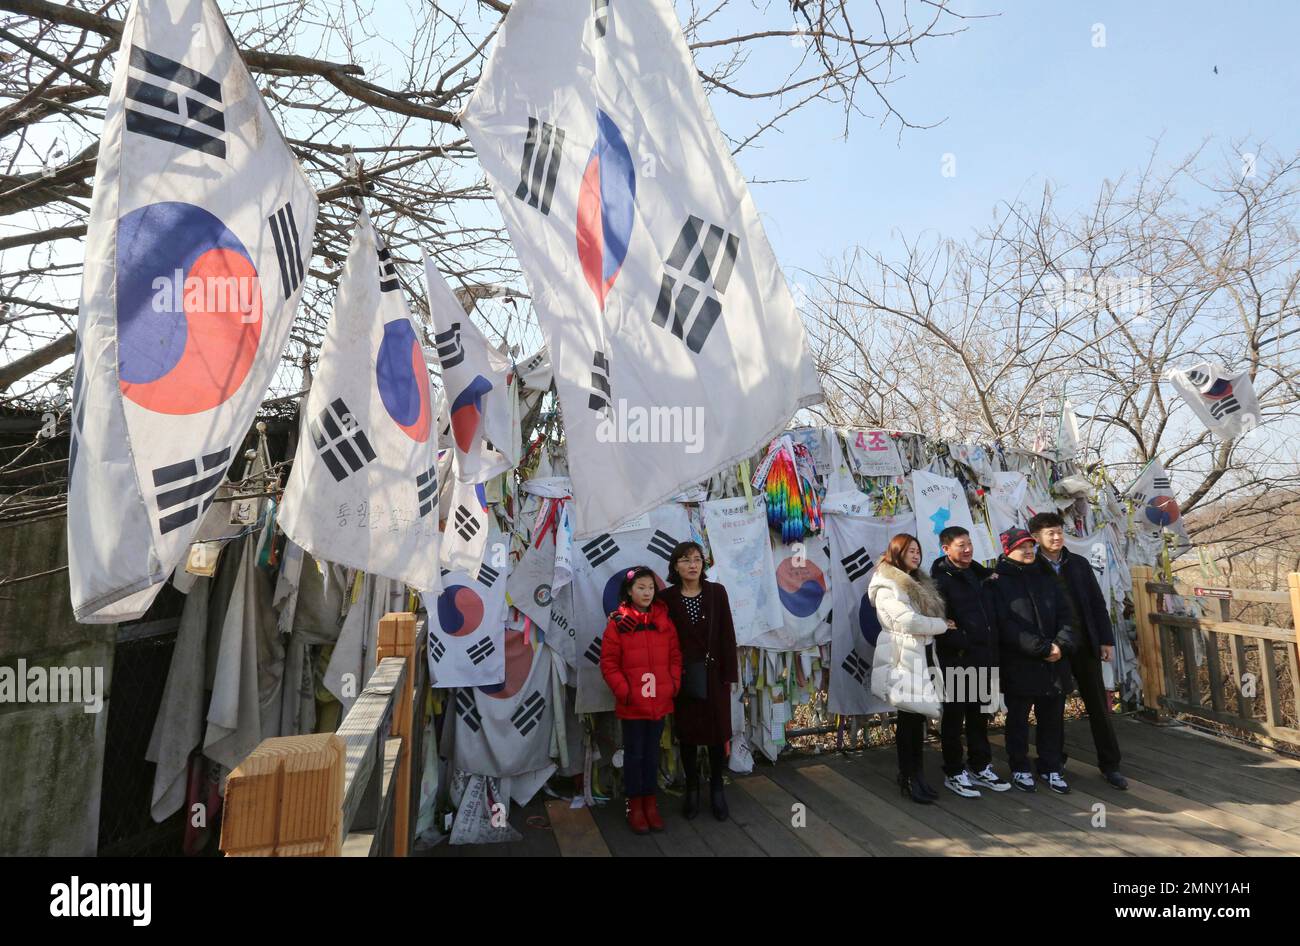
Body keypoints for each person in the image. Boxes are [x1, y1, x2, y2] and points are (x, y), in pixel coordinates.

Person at [1028, 511, 1128, 789]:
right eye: (1050, 533)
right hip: (1055, 647)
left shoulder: (1079, 564)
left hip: (1085, 644)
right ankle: (1053, 761)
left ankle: (1111, 765)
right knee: (1052, 707)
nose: (1057, 537)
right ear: (1036, 537)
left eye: (1059, 531)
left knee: (1098, 705)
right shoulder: (1032, 566)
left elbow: (1097, 604)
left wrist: (1106, 640)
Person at [990, 527, 1076, 794]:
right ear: (1008, 551)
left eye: (1030, 546)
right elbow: (1006, 625)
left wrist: (1060, 644)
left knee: (1052, 719)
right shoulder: (998, 581)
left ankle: (1050, 767)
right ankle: (1019, 767)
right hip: (1021, 661)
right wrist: (1040, 647)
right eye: (1021, 547)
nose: (1028, 552)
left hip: (1054, 661)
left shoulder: (1045, 575)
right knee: (1018, 719)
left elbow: (1067, 613)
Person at [657, 541, 739, 821]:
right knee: (688, 735)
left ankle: (717, 788)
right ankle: (692, 788)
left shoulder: (717, 592)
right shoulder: (666, 598)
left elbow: (727, 635)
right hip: (684, 677)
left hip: (714, 675)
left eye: (697, 559)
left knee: (718, 736)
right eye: (685, 559)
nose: (692, 564)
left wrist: (730, 675)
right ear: (675, 566)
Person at [868, 533, 952, 804]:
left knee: (916, 721)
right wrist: (941, 626)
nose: (916, 555)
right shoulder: (886, 583)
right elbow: (907, 621)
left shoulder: (917, 582)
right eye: (910, 550)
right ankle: (909, 777)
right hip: (903, 656)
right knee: (909, 720)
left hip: (922, 655)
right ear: (897, 551)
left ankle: (916, 775)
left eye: (918, 550)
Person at [599, 565, 682, 834]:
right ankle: (634, 805)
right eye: (640, 588)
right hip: (633, 704)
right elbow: (609, 664)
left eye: (650, 588)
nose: (647, 593)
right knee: (634, 754)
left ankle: (650, 803)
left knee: (652, 752)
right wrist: (626, 692)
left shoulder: (664, 620)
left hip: (659, 701)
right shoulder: (618, 624)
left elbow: (674, 656)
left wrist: (672, 685)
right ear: (629, 591)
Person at [930, 526, 1010, 797]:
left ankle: (980, 766)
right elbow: (940, 624)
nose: (967, 549)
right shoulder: (940, 581)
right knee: (954, 718)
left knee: (979, 716)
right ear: (946, 549)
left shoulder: (981, 575)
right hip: (959, 660)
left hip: (983, 657)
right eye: (960, 545)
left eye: (969, 544)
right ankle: (954, 771)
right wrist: (963, 640)